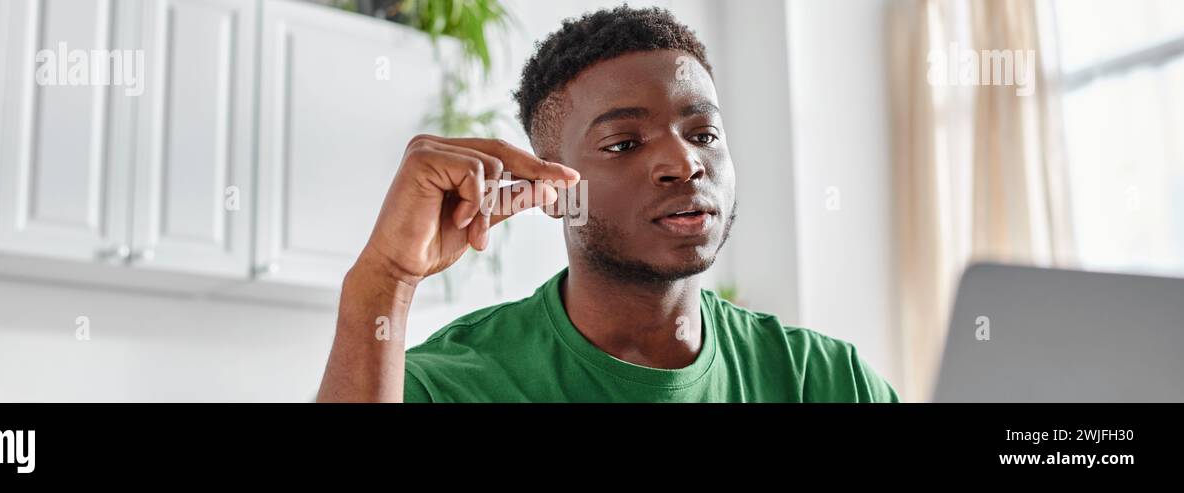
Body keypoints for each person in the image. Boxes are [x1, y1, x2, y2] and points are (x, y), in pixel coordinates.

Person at [317, 6, 899, 403]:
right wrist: (384, 277)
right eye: (623, 144)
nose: (685, 163)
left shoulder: (825, 381)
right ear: (550, 187)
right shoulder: (443, 385)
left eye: (704, 134)